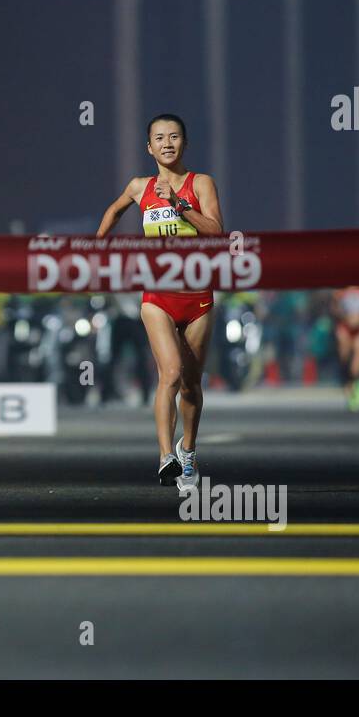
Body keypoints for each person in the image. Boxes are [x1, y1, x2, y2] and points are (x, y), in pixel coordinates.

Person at [96, 113, 223, 490]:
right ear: (148, 147)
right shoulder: (139, 186)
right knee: (168, 373)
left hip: (198, 296)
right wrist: (94, 248)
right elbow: (115, 209)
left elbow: (217, 230)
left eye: (174, 137)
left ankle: (189, 453)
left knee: (190, 384)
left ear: (184, 143)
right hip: (157, 296)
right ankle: (165, 456)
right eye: (159, 138)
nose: (167, 143)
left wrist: (181, 206)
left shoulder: (201, 183)